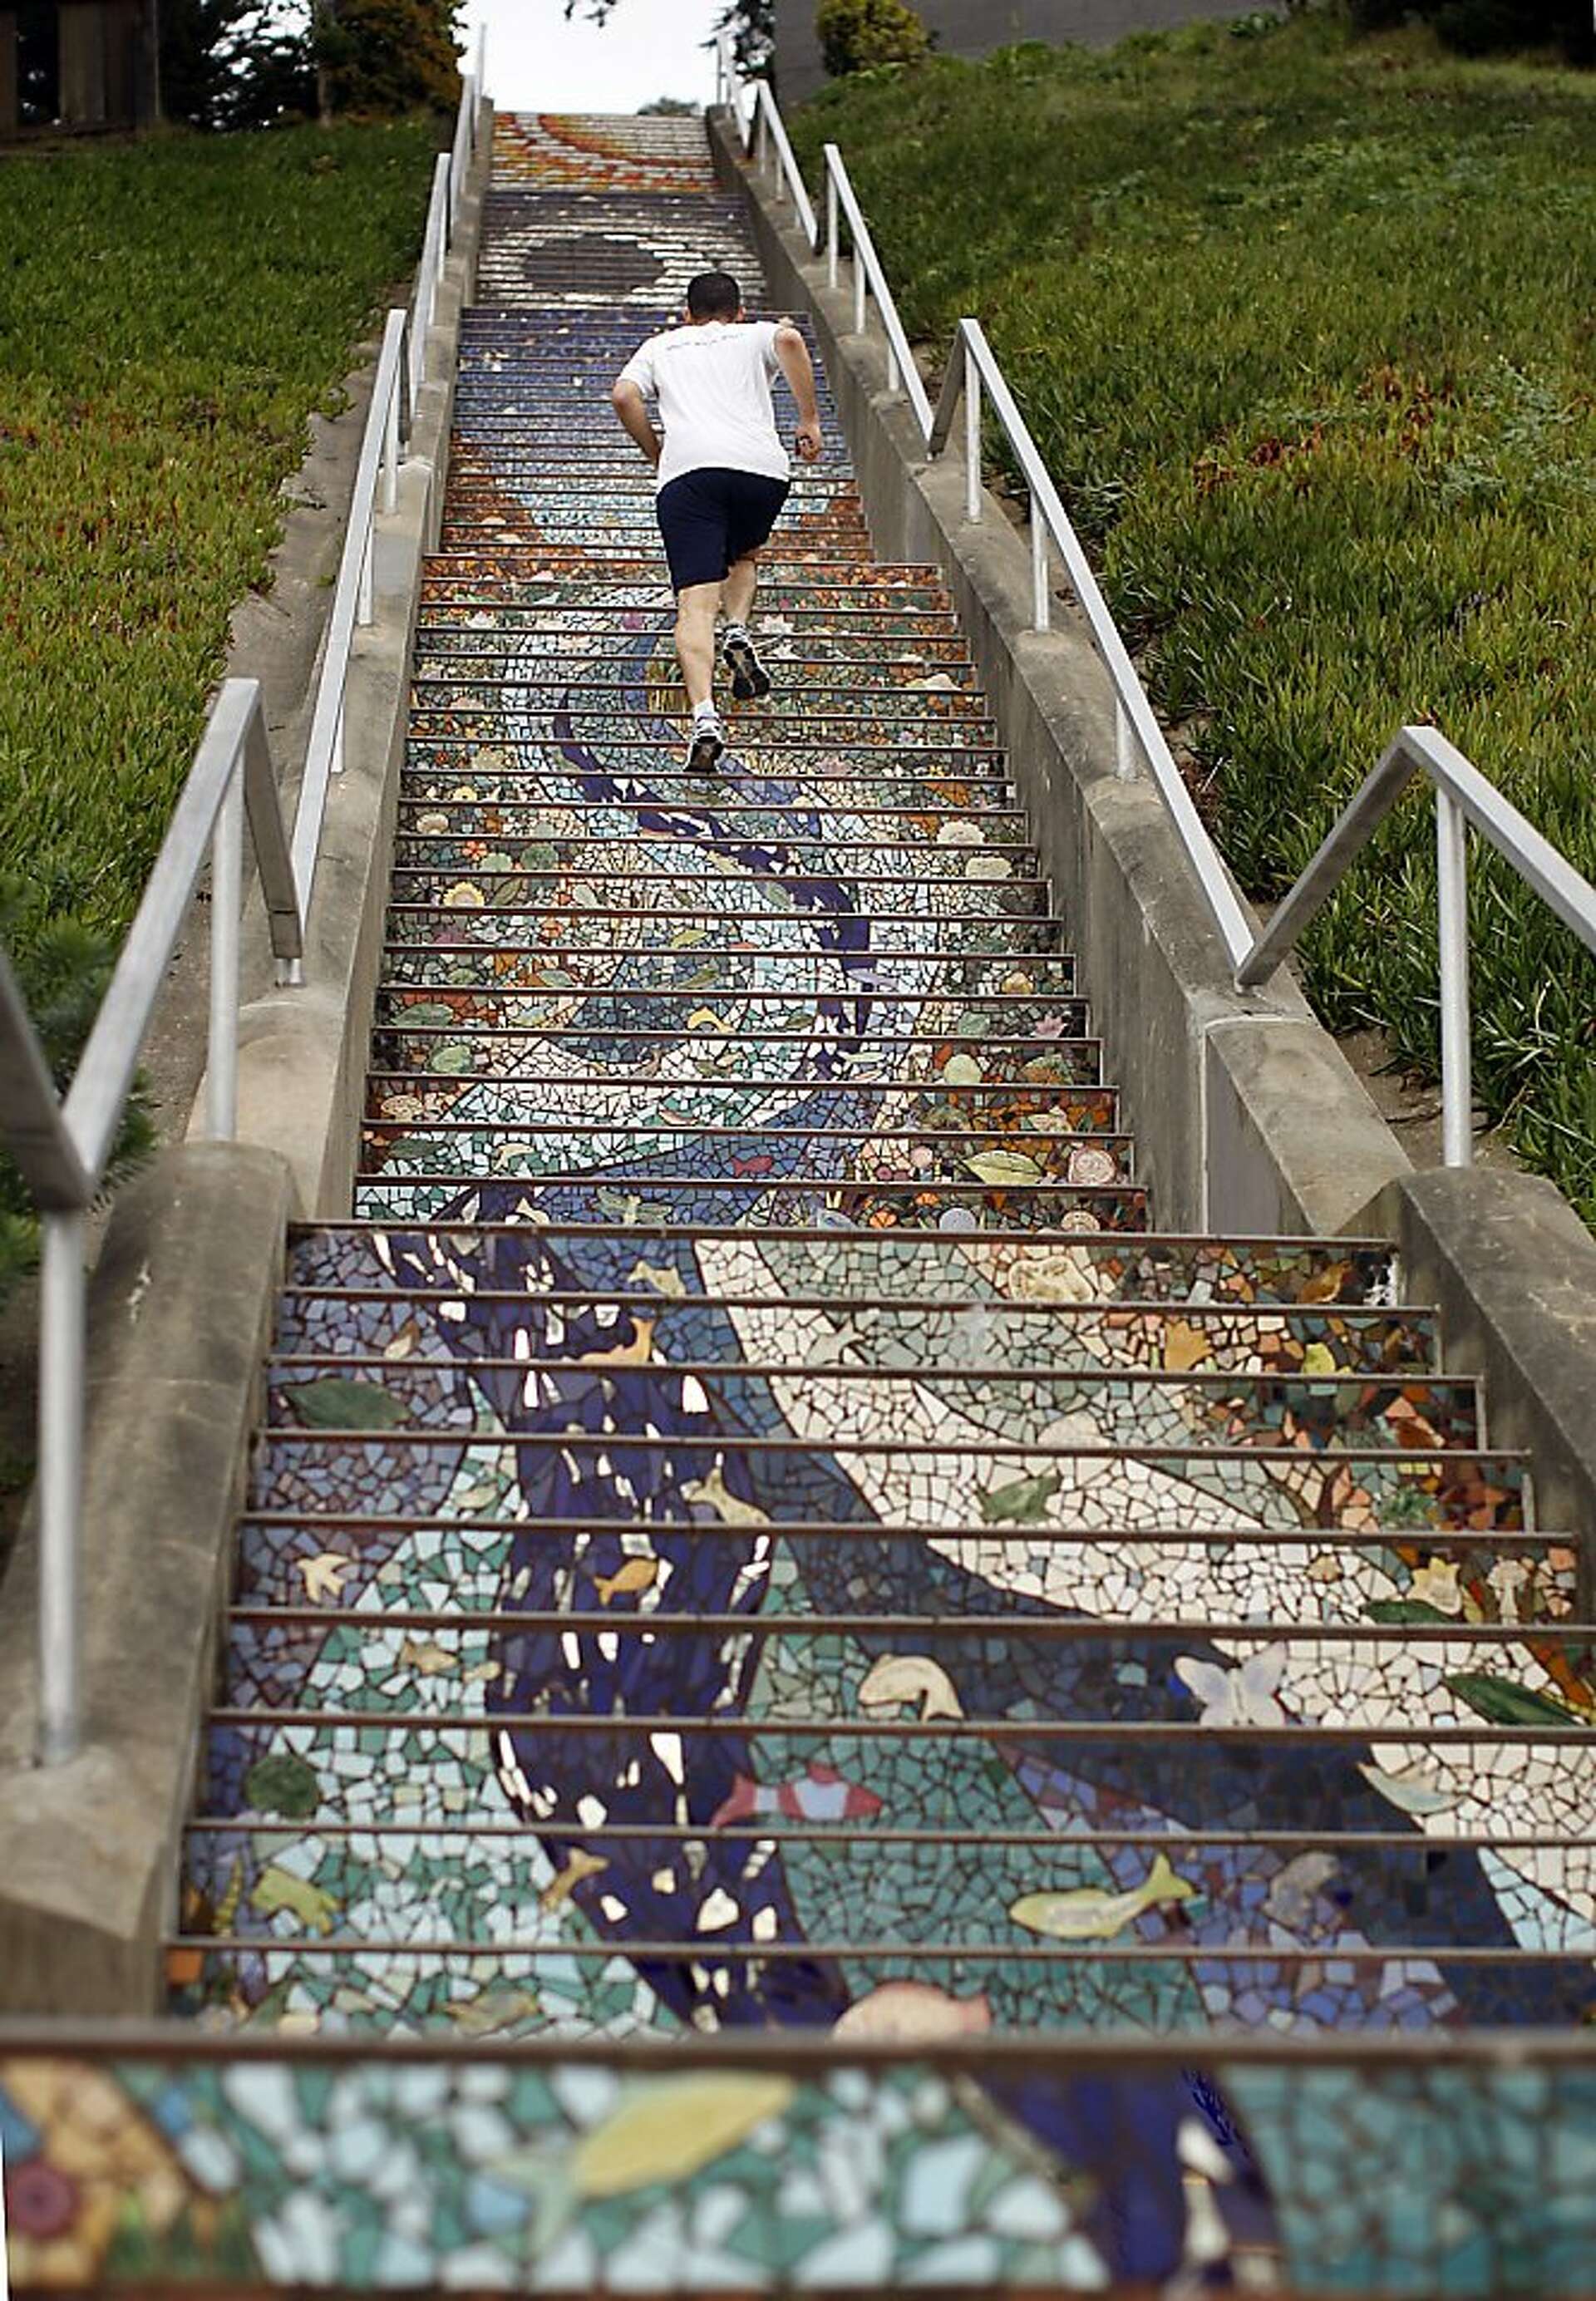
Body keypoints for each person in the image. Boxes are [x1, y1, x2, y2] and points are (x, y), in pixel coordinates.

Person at [611, 270, 824, 771]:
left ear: (687, 314)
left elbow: (623, 396)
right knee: (745, 552)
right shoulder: (755, 334)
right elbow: (790, 339)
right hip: (761, 471)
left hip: (690, 476)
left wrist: (656, 452)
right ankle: (740, 631)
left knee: (695, 604)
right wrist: (809, 419)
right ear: (740, 311)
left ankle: (704, 715)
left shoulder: (661, 346)